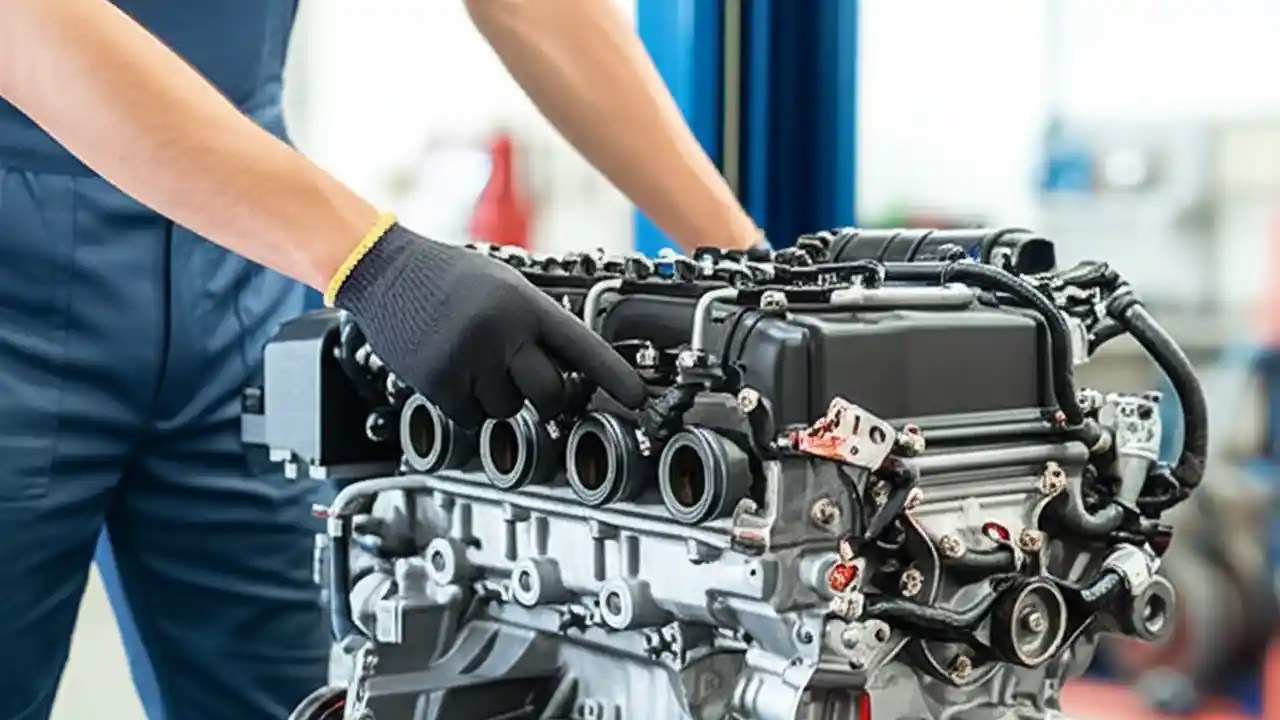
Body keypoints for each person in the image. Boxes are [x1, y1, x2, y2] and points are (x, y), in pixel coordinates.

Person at [0, 1, 763, 718]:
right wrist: (373, 263)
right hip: (19, 275)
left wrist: (747, 266)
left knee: (297, 694)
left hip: (239, 258)